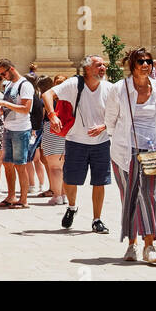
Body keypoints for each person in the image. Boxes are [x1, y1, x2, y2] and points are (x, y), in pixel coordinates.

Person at [104, 47, 156, 266]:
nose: (145, 65)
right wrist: (123, 142)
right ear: (132, 65)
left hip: (152, 150)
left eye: (148, 61)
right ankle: (131, 244)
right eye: (141, 61)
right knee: (130, 197)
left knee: (150, 195)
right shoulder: (119, 89)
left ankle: (150, 245)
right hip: (126, 151)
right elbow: (110, 120)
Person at [45, 56, 112, 233]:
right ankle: (72, 207)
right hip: (76, 141)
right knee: (70, 179)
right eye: (99, 65)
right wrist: (52, 115)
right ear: (88, 69)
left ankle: (97, 219)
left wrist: (104, 126)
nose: (103, 67)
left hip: (102, 142)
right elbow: (47, 94)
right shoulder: (74, 84)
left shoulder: (109, 88)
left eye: (104, 65)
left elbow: (119, 113)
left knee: (100, 181)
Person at [0, 59, 33, 208]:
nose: (2, 77)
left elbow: (25, 109)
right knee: (7, 164)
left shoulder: (25, 85)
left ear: (12, 69)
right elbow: (8, 110)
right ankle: (11, 196)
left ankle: (24, 199)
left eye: (3, 73)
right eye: (0, 75)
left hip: (21, 130)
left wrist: (3, 103)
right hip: (8, 128)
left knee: (20, 165)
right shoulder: (9, 85)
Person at [39, 74, 67, 205]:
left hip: (52, 131)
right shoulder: (71, 98)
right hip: (68, 133)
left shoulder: (49, 98)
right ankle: (64, 195)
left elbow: (43, 116)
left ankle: (57, 196)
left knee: (55, 167)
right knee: (64, 167)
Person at [24, 77, 47, 195]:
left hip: (33, 130)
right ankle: (41, 184)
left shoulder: (31, 97)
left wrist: (34, 129)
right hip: (38, 129)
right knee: (37, 159)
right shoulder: (39, 96)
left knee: (28, 159)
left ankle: (32, 185)